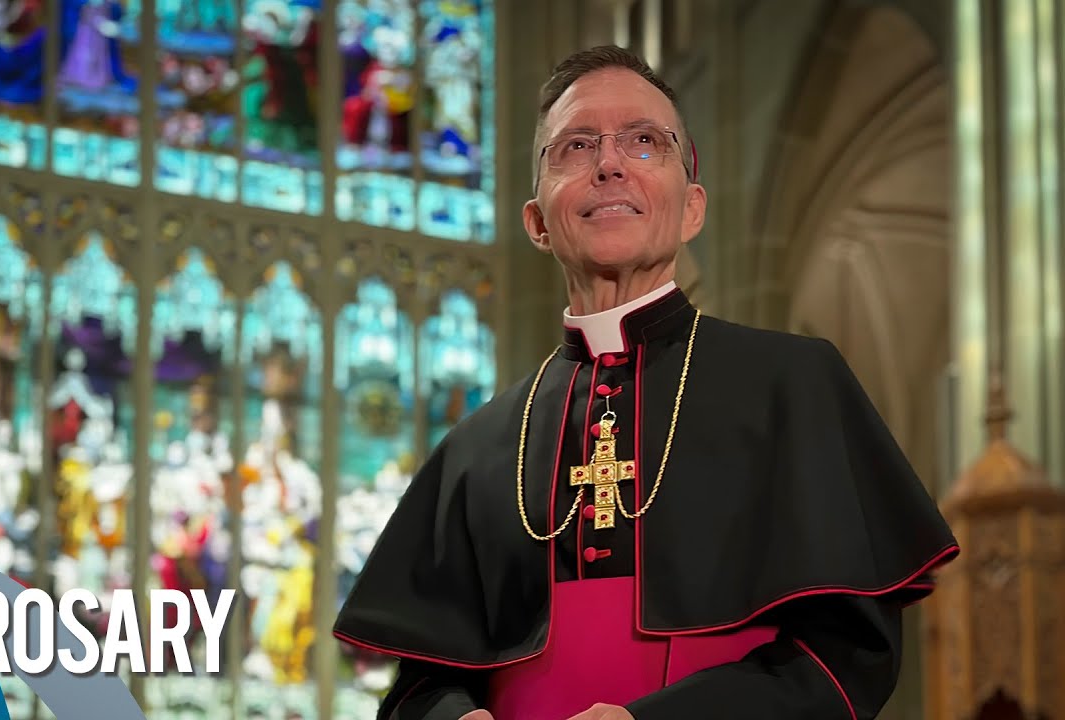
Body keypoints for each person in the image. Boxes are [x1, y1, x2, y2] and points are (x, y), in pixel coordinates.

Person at [332, 45, 959, 720]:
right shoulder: (477, 447)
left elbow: (848, 659)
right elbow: (418, 686)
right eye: (575, 145)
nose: (609, 163)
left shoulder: (793, 385)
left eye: (644, 142)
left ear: (691, 209)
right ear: (538, 222)